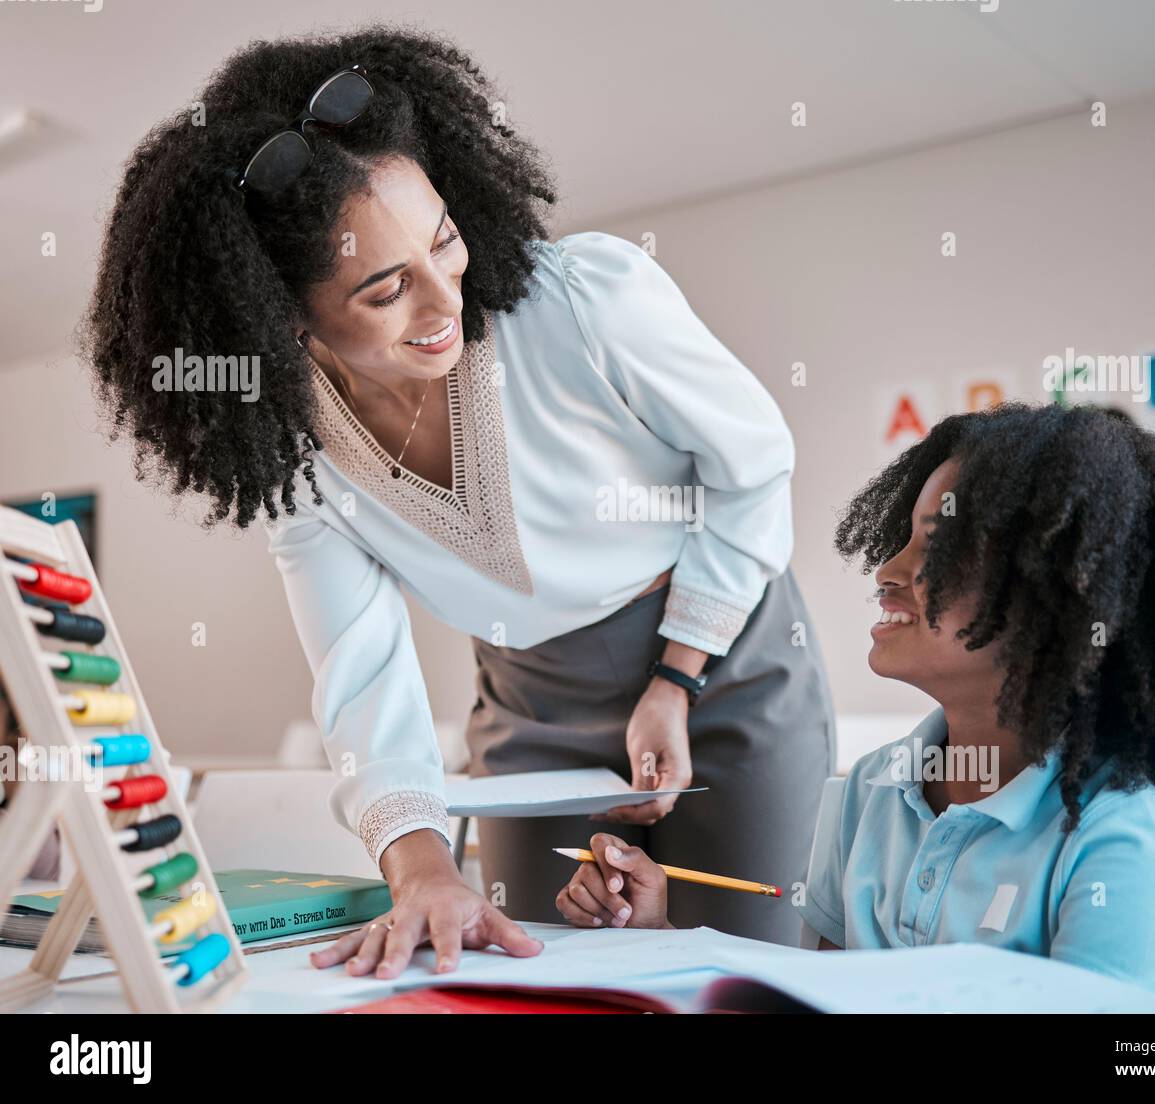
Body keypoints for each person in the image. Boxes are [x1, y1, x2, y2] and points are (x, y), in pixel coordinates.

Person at [77, 27, 835, 976]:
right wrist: (420, 868)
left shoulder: (583, 304)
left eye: (444, 241)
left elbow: (753, 462)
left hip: (725, 667)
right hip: (530, 713)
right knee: (526, 970)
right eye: (387, 289)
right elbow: (361, 672)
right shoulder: (301, 463)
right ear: (284, 317)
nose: (444, 305)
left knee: (744, 976)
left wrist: (676, 677)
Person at [557, 403, 1155, 1000]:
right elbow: (825, 1002)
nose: (888, 570)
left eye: (937, 546)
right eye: (902, 538)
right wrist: (651, 940)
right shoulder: (866, 791)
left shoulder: (1123, 840)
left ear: (1056, 597)